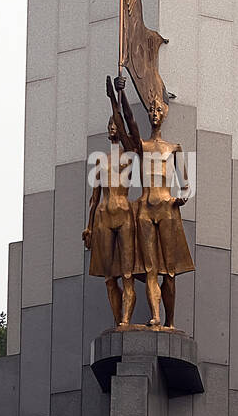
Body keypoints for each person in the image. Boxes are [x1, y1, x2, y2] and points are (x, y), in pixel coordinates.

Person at [117, 83, 193, 328]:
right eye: (151, 112)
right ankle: (156, 317)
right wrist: (120, 94)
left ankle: (169, 321)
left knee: (169, 272)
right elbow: (126, 121)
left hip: (167, 210)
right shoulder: (142, 146)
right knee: (151, 269)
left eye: (158, 111)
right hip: (145, 211)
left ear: (164, 114)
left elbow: (186, 184)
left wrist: (182, 197)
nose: (154, 115)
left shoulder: (173, 148)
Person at [82, 76, 139, 328]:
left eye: (115, 124)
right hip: (104, 216)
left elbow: (131, 126)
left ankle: (126, 321)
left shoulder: (129, 157)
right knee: (108, 277)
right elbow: (93, 199)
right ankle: (119, 322)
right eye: (110, 124)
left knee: (127, 274)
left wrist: (116, 97)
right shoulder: (100, 160)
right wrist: (89, 227)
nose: (113, 127)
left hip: (124, 214)